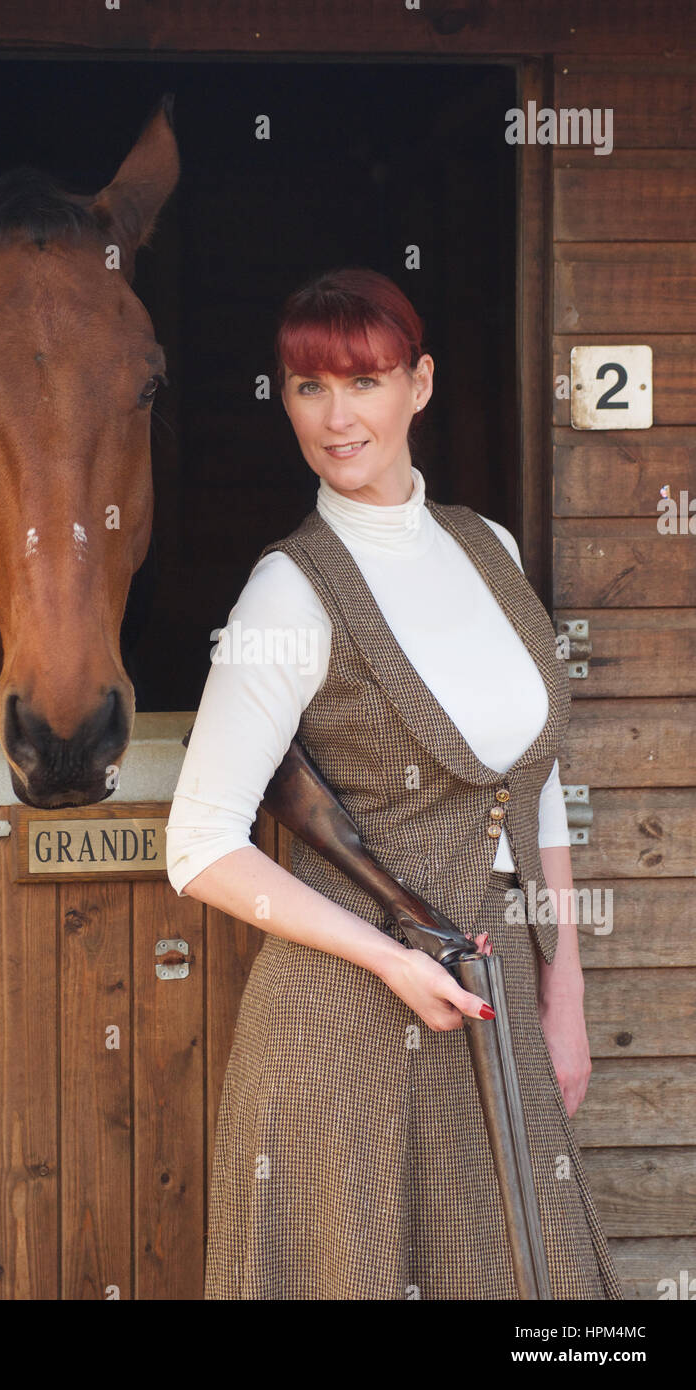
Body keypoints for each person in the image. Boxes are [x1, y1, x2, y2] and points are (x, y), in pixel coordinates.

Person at [166, 267, 624, 1301]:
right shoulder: (287, 590)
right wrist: (389, 960)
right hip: (343, 1013)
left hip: (490, 988)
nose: (335, 417)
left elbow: (534, 784)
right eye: (305, 388)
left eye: (361, 382)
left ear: (417, 385)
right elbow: (197, 843)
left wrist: (563, 987)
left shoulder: (488, 548)